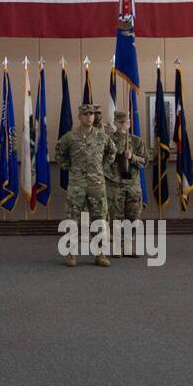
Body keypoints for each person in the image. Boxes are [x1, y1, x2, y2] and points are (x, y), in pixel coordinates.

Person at [54, 103, 116, 267]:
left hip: (97, 184)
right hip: (77, 184)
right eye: (86, 114)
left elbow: (112, 152)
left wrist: (102, 168)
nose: (89, 117)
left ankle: (100, 254)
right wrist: (71, 168)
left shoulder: (102, 136)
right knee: (72, 219)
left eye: (92, 114)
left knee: (100, 219)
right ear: (80, 116)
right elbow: (59, 154)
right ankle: (71, 254)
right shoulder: (70, 137)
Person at [104, 109, 148, 255]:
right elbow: (102, 161)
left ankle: (128, 246)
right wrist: (116, 155)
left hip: (132, 184)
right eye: (121, 122)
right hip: (115, 184)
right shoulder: (108, 140)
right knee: (116, 217)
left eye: (126, 122)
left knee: (133, 216)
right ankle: (118, 246)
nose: (124, 125)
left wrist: (133, 157)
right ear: (115, 123)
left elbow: (145, 162)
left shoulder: (136, 141)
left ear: (130, 124)